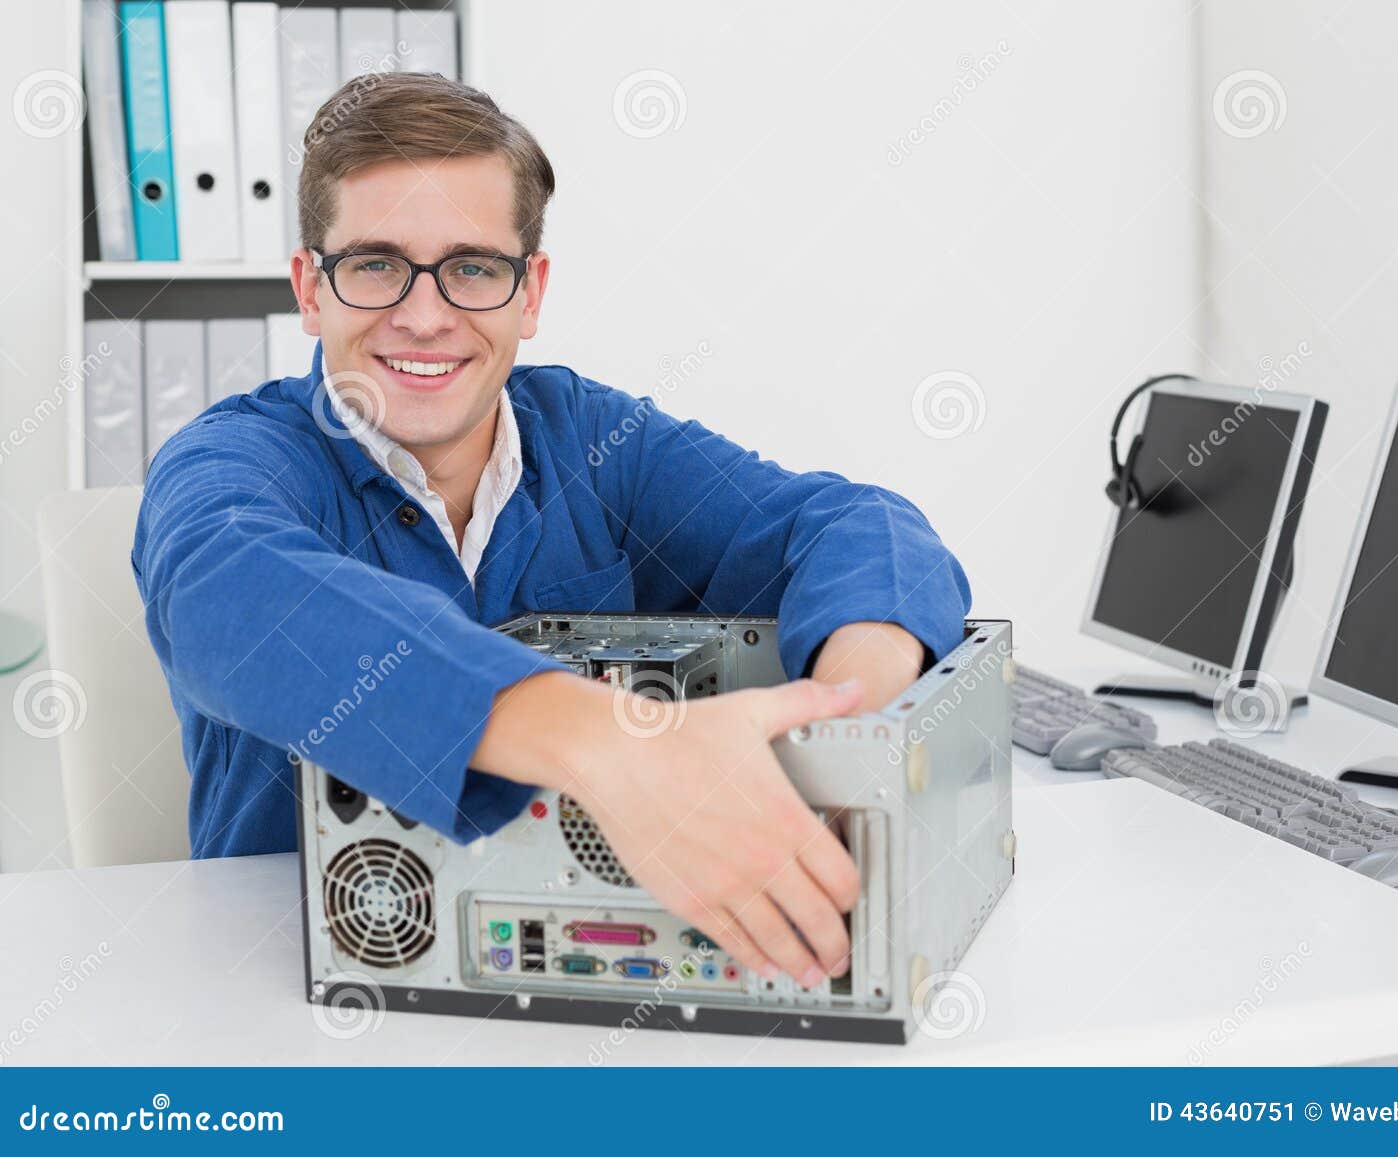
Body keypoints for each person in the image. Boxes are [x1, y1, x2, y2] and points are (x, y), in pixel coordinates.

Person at [133, 73, 969, 990]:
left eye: (472, 268)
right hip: (284, 993)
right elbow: (230, 599)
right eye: (374, 265)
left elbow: (855, 526)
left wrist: (847, 728)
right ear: (310, 289)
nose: (424, 315)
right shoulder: (237, 461)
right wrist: (609, 744)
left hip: (582, 993)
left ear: (529, 293)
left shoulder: (598, 444)